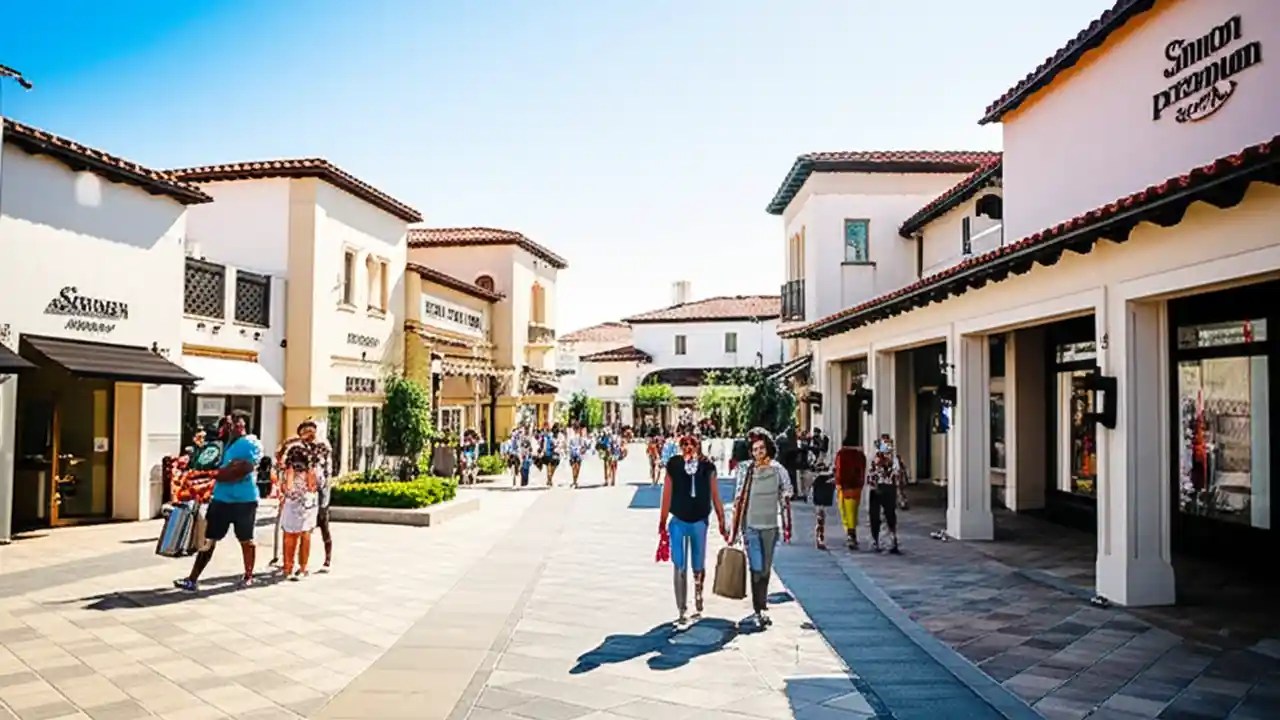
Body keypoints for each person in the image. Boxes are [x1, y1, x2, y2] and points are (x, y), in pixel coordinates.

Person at [174, 411, 263, 592]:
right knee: (209, 539)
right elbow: (212, 465)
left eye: (235, 424)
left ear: (242, 426)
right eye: (227, 425)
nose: (231, 428)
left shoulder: (249, 443)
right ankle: (192, 579)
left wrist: (213, 473)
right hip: (221, 499)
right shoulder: (221, 445)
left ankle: (248, 576)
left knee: (246, 539)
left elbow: (240, 470)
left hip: (244, 500)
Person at [658, 434, 728, 626]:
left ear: (698, 446)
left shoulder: (707, 467)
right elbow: (667, 494)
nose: (688, 447)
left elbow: (715, 495)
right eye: (684, 444)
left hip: (699, 521)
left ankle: (698, 591)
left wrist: (722, 520)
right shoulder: (674, 465)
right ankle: (681, 607)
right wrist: (662, 521)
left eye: (692, 444)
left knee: (698, 564)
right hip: (678, 521)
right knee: (679, 564)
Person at [732, 430, 792, 629]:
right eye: (755, 449)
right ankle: (758, 608)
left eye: (761, 448)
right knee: (756, 567)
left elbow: (787, 492)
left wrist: (787, 520)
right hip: (750, 526)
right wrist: (733, 529)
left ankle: (762, 603)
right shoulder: (746, 470)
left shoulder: (778, 470)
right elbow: (738, 498)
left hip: (770, 527)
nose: (758, 453)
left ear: (768, 449)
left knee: (765, 569)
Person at [277, 438, 319, 579]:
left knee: (292, 536)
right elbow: (312, 487)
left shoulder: (289, 470)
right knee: (302, 536)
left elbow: (285, 488)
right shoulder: (308, 470)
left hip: (296, 505)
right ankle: (300, 568)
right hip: (303, 505)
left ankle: (290, 567)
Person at [867, 447, 903, 554]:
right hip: (886, 488)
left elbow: (871, 474)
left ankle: (879, 540)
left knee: (879, 515)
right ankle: (889, 539)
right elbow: (897, 475)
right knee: (887, 514)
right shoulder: (893, 459)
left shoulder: (878, 458)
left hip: (880, 488)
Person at [833, 439, 867, 550]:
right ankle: (852, 533)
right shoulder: (860, 455)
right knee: (853, 511)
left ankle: (850, 534)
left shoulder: (841, 454)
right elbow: (863, 470)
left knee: (845, 512)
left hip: (845, 487)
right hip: (856, 487)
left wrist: (838, 482)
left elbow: (839, 469)